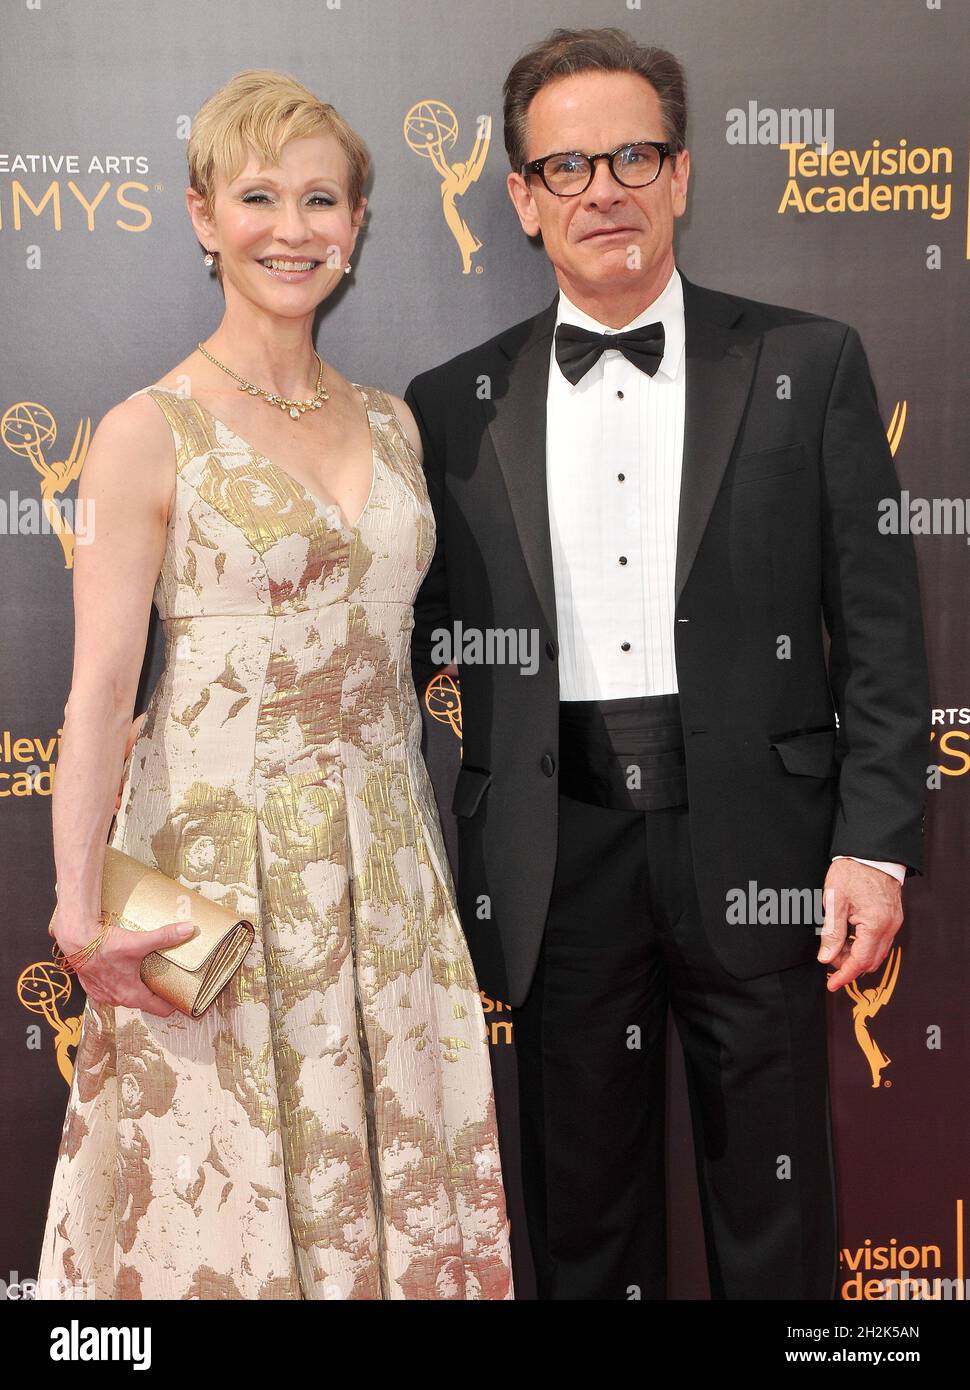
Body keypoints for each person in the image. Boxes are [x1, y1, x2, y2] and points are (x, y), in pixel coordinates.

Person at [404, 28, 928, 1300]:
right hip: (553, 856)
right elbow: (388, 635)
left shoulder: (809, 363)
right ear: (522, 200)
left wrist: (874, 844)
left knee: (777, 1212)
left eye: (634, 154)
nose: (605, 189)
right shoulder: (446, 404)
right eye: (567, 165)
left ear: (683, 174)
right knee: (580, 1225)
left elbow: (881, 630)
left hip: (761, 849)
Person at [37, 69, 512, 1301]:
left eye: (320, 199)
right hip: (215, 861)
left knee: (391, 1158)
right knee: (221, 1187)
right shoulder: (148, 428)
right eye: (258, 196)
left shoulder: (395, 424)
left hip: (385, 856)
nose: (292, 228)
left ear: (356, 227)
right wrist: (76, 904)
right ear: (203, 217)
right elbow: (100, 691)